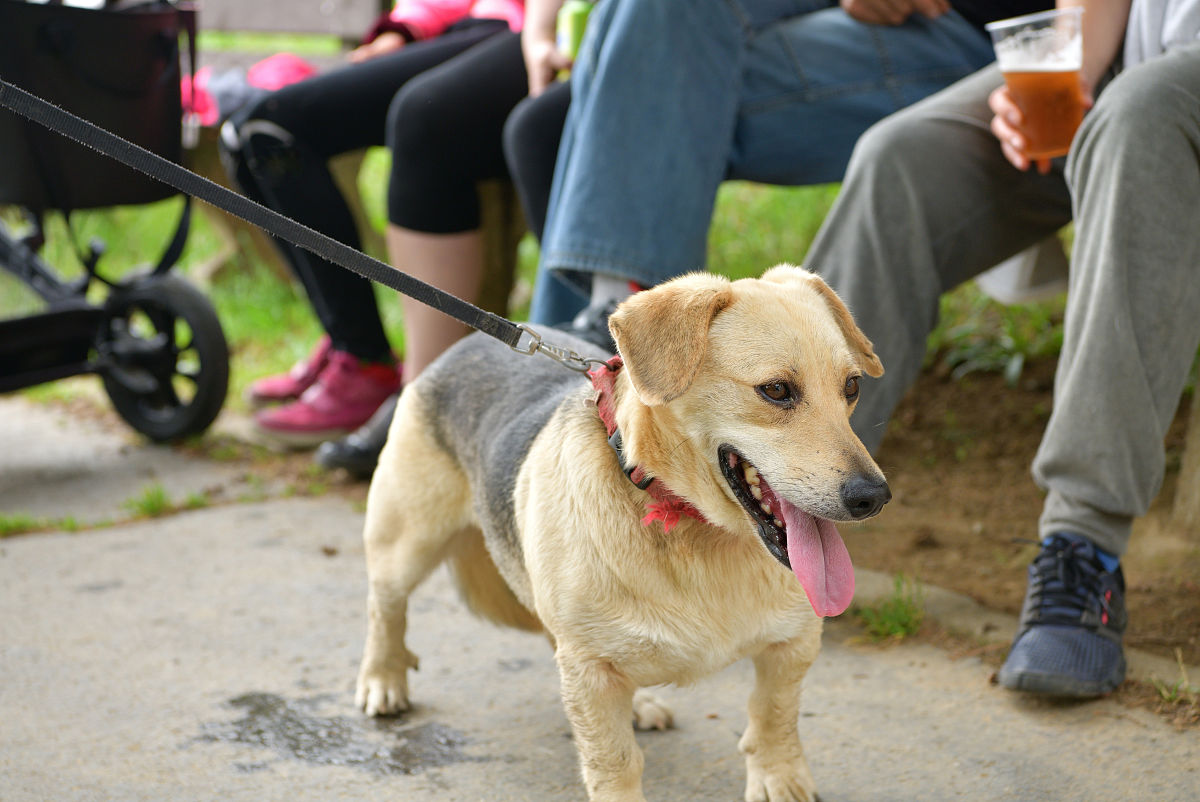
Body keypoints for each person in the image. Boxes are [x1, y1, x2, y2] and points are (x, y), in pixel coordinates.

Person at [801, 0, 1199, 696]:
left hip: (1155, 104)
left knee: (1141, 113)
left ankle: (1084, 550)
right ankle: (784, 497)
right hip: (1130, 74)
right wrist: (1074, 69)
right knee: (901, 160)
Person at [525, 0, 1054, 339]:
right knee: (643, 34)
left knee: (635, 89)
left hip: (988, 30)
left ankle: (606, 338)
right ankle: (597, 335)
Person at [223, 0, 532, 452]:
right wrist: (407, 27)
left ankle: (374, 368)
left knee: (419, 115)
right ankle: (352, 348)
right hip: (461, 26)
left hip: (522, 30)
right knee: (253, 130)